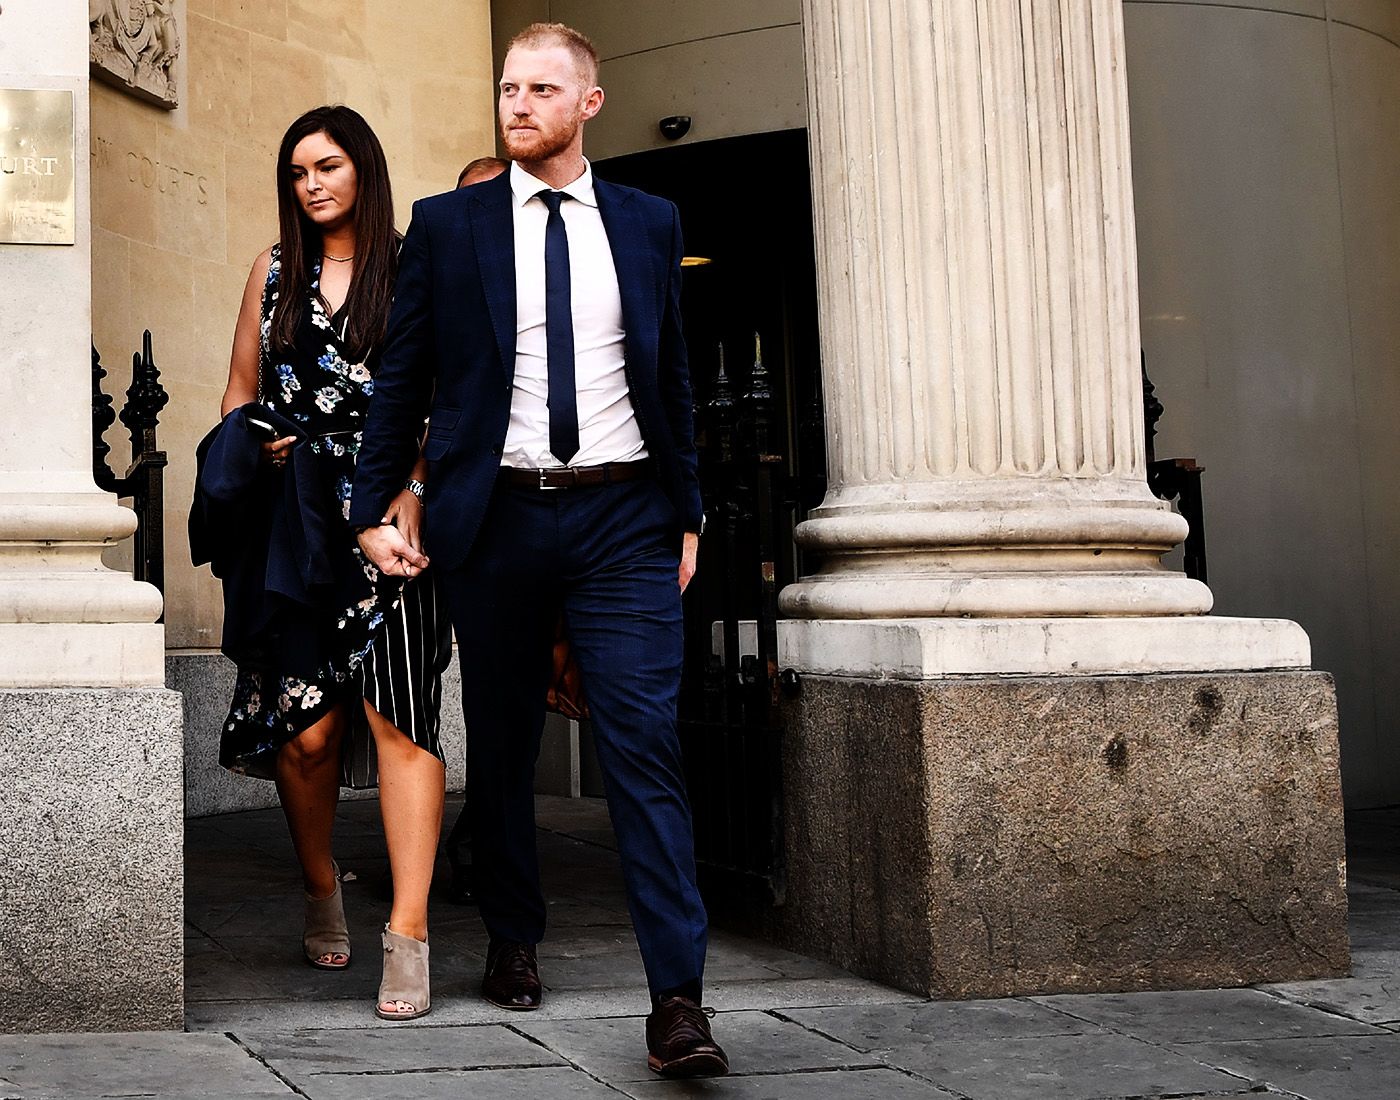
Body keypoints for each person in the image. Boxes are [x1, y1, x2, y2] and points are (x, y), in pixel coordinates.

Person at [351, 22, 728, 1079]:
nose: (516, 103)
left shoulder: (649, 223)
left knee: (644, 743)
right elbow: (402, 378)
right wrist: (368, 512)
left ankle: (676, 999)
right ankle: (513, 932)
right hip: (498, 518)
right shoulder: (451, 224)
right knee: (505, 739)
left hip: (622, 517)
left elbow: (670, 374)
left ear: (588, 103)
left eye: (540, 88)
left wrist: (687, 507)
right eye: (507, 87)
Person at [212, 104, 450, 1022]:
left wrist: (415, 487)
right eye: (298, 172)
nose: (311, 184)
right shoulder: (272, 275)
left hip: (396, 522)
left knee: (401, 722)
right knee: (305, 735)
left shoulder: (416, 266)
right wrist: (255, 441)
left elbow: (447, 396)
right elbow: (238, 392)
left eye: (328, 166)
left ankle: (411, 932)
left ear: (365, 170)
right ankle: (320, 884)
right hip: (299, 527)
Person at [440, 152, 510, 908]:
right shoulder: (441, 279)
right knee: (492, 700)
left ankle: (484, 836)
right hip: (456, 521)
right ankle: (475, 840)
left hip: (546, 516)